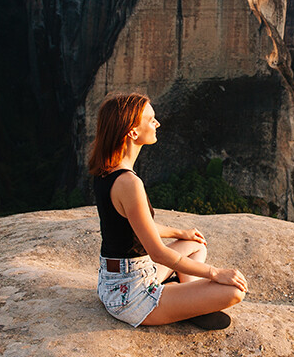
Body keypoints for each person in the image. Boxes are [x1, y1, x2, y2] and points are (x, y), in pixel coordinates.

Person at [89, 93, 247, 329]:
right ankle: (189, 302)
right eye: (151, 119)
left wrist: (179, 233)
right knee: (233, 290)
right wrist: (214, 273)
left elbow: (136, 226)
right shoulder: (129, 184)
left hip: (114, 281)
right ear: (132, 132)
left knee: (196, 244)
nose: (157, 124)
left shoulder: (106, 171)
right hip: (133, 296)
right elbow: (159, 254)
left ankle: (188, 300)